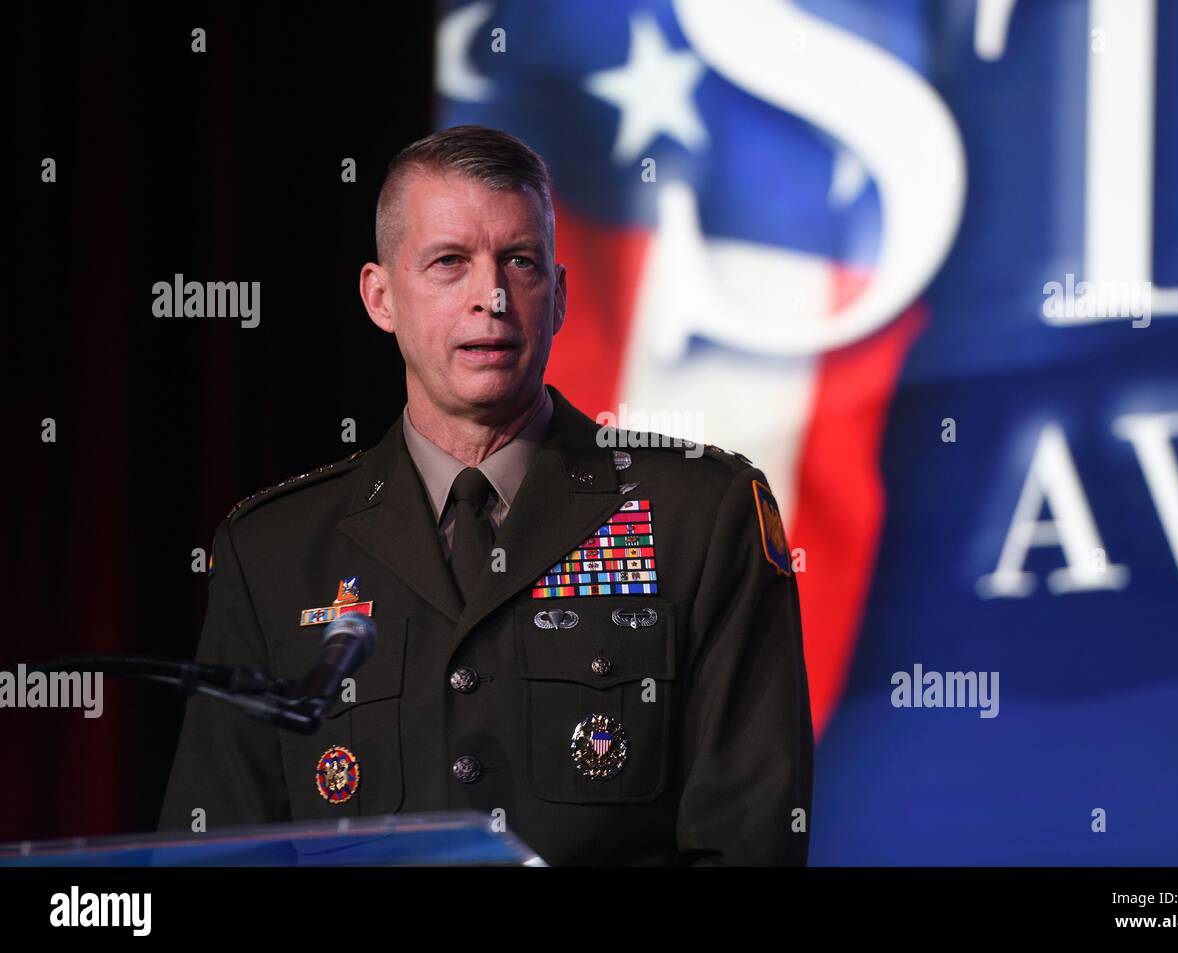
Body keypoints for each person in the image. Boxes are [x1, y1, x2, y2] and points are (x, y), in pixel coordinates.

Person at [159, 125, 814, 865]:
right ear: (380, 297)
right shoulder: (273, 552)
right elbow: (214, 850)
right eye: (449, 263)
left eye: (520, 262)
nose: (491, 297)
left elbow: (749, 841)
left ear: (558, 297)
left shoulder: (702, 515)